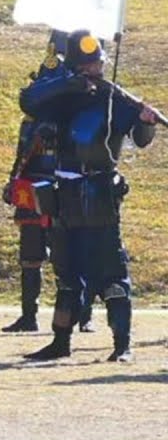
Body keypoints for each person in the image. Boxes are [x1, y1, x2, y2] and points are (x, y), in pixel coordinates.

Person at [20, 32, 158, 363]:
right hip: (65, 193)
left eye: (97, 64)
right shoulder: (61, 97)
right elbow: (28, 100)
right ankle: (60, 342)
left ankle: (122, 344)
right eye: (87, 66)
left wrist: (146, 122)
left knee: (112, 271)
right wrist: (68, 84)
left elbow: (141, 139)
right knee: (67, 273)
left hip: (100, 191)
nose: (94, 70)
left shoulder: (115, 99)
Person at [1, 31, 93, 334]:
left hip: (63, 185)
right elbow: (22, 152)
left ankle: (83, 314)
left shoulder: (77, 112)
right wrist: (12, 180)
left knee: (71, 254)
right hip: (31, 186)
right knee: (30, 256)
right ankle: (28, 315)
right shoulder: (32, 119)